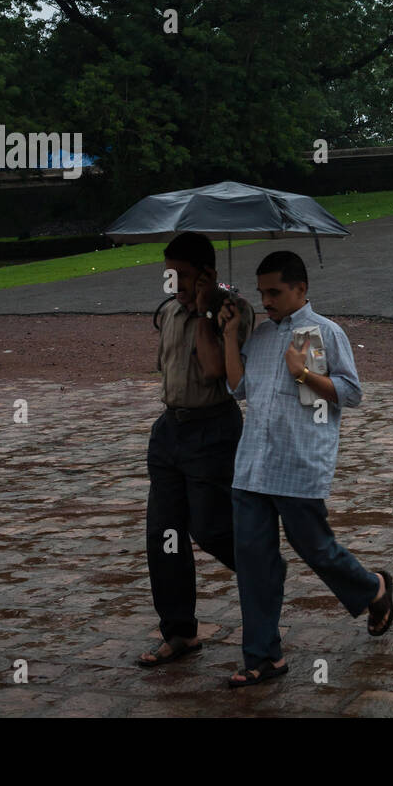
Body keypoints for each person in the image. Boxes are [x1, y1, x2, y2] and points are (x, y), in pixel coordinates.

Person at [218, 250, 393, 688]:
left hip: (298, 465)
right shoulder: (258, 337)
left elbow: (351, 393)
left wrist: (304, 375)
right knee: (254, 563)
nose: (267, 300)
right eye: (261, 293)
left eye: (275, 292)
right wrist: (228, 337)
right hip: (252, 467)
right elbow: (238, 388)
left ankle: (373, 588)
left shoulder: (323, 334)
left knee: (316, 549)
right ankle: (263, 657)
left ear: (301, 288)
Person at [138, 232, 258, 668]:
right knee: (163, 535)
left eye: (184, 276)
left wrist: (207, 312)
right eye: (169, 274)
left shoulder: (234, 311)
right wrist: (189, 304)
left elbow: (215, 373)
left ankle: (262, 569)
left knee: (209, 529)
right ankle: (179, 631)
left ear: (208, 274)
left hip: (213, 430)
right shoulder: (170, 311)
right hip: (170, 430)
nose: (174, 284)